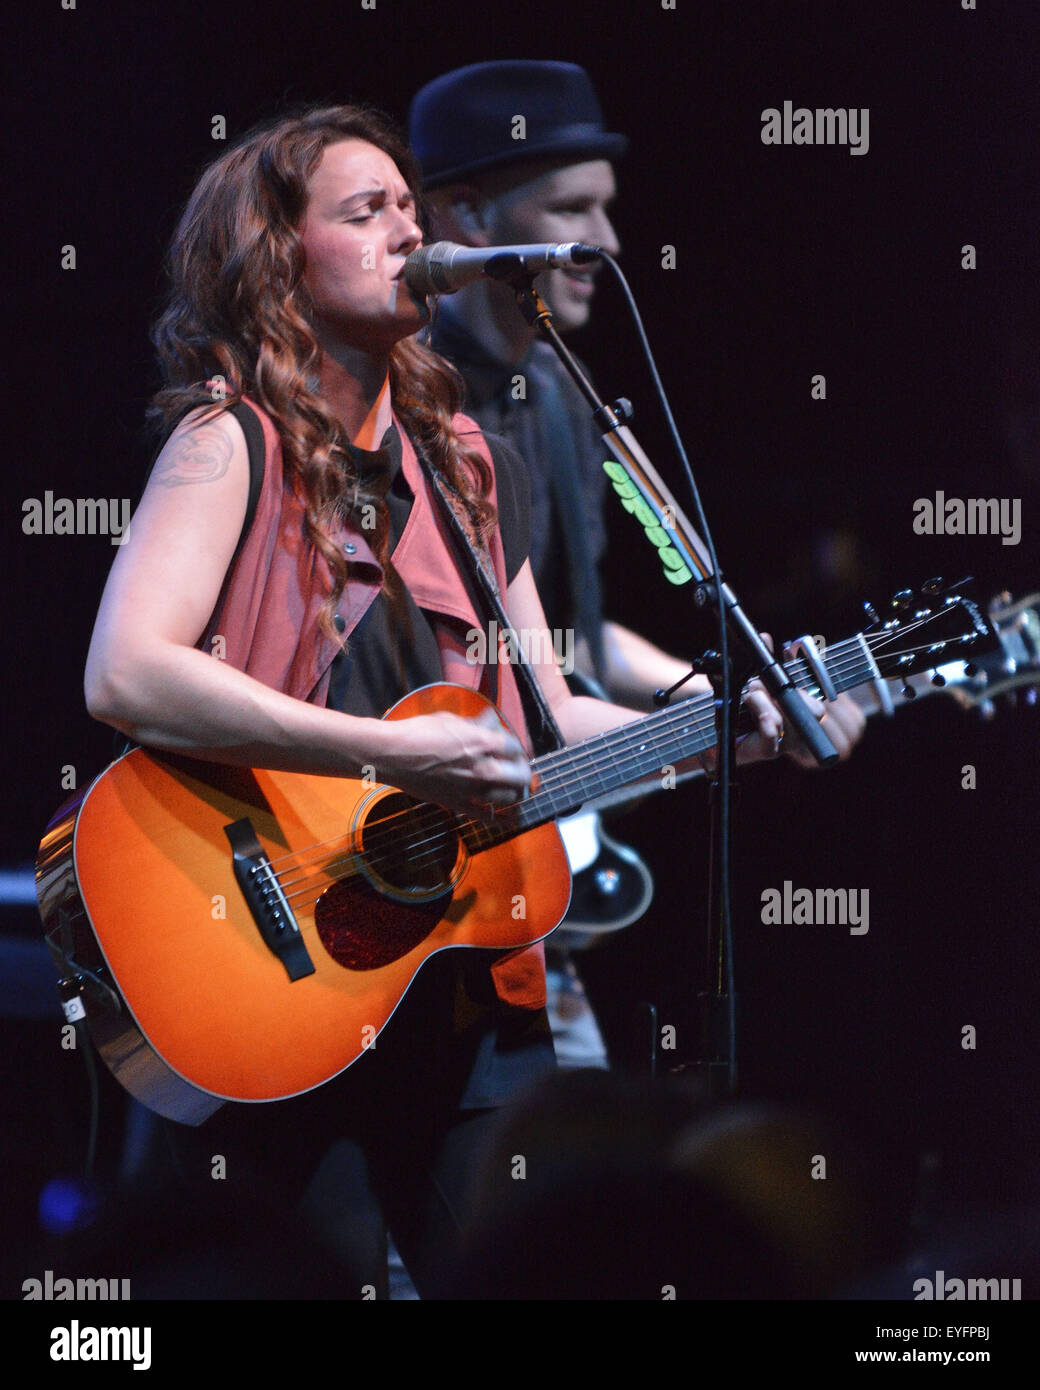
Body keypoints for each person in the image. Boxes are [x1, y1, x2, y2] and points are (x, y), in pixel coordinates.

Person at [81, 103, 794, 1297]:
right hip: (283, 968)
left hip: (465, 981)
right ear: (277, 258)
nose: (409, 232)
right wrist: (389, 757)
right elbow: (126, 671)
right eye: (367, 212)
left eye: (410, 206)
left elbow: (545, 721)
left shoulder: (464, 464)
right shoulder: (228, 442)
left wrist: (715, 737)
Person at [409, 62, 867, 1066]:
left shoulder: (560, 395)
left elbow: (572, 641)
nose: (608, 242)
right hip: (405, 865)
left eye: (606, 209)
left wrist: (742, 694)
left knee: (553, 1149)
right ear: (466, 216)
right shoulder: (396, 405)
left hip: (531, 874)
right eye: (572, 210)